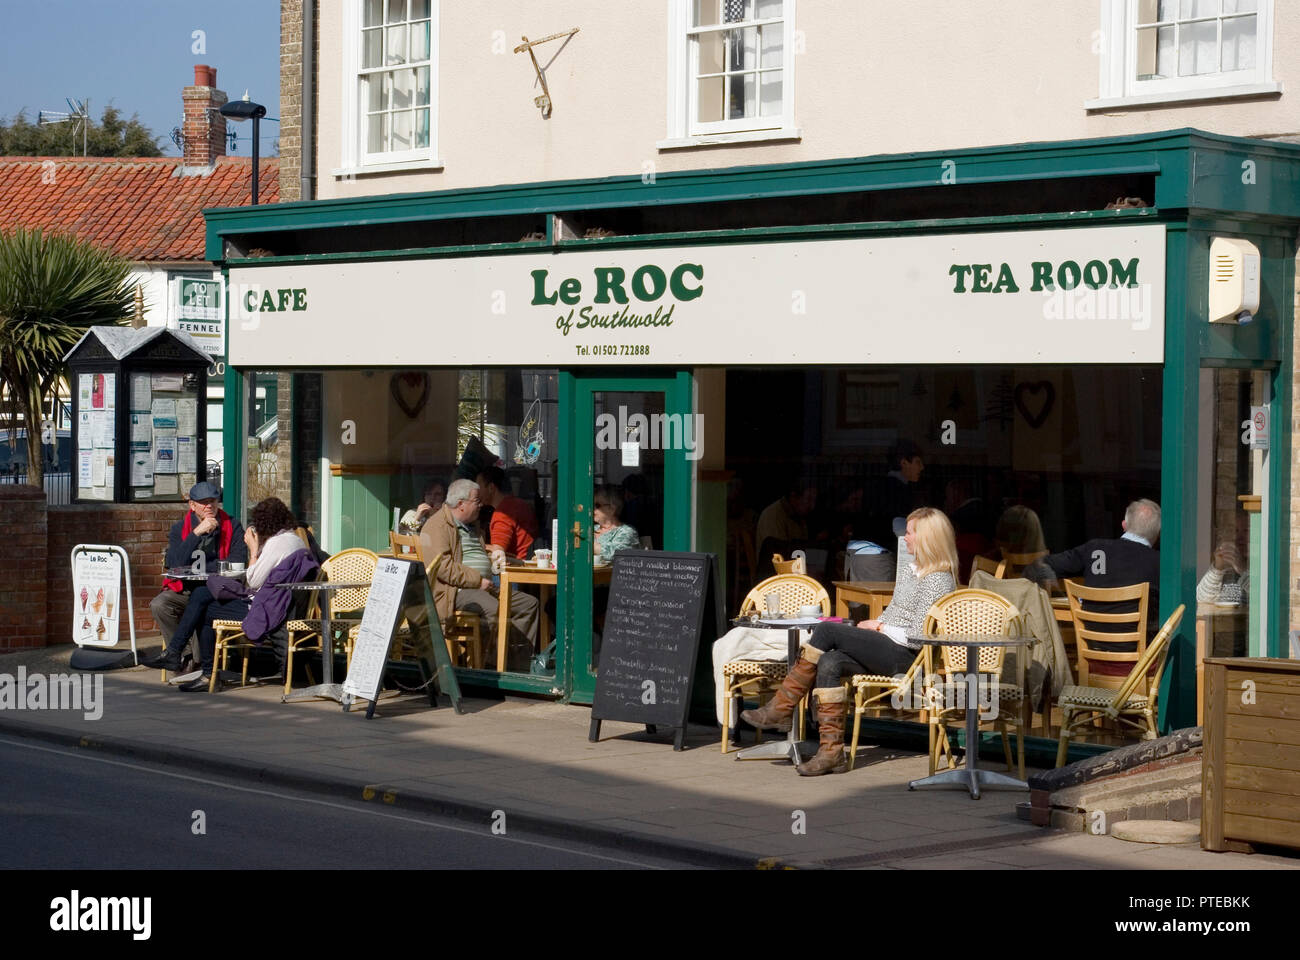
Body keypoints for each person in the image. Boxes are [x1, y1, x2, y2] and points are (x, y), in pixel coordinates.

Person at [741, 507, 959, 776]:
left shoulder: (937, 580)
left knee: (827, 632)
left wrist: (879, 625)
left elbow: (918, 636)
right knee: (831, 661)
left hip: (910, 659)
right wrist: (879, 622)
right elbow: (895, 612)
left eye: (911, 533)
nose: (905, 538)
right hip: (889, 646)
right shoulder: (913, 570)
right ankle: (831, 753)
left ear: (927, 538)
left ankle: (782, 706)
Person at [143, 497, 319, 691]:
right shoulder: (294, 540)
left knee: (205, 606)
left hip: (265, 610)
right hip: (277, 604)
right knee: (202, 594)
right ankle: (180, 656)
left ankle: (202, 671)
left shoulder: (277, 543)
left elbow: (253, 580)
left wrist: (253, 551)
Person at [1027, 498, 1161, 681]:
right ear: (1158, 533)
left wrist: (1053, 586)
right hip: (1140, 667)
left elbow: (1039, 567)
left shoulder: (1095, 549)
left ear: (1124, 524)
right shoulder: (1161, 563)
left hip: (1093, 659)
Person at [421, 478, 539, 670]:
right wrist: (477, 581)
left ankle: (517, 666)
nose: (481, 505)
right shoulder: (438, 526)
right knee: (494, 609)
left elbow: (477, 554)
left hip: (484, 586)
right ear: (461, 504)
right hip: (456, 591)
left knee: (528, 604)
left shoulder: (471, 526)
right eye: (477, 501)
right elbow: (442, 567)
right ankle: (491, 666)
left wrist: (497, 560)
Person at [149, 481, 247, 673]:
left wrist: (211, 572)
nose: (209, 506)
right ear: (192, 506)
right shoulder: (180, 529)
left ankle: (186, 658)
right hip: (185, 588)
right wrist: (196, 533)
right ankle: (185, 656)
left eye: (213, 501)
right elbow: (175, 562)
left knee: (201, 597)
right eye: (203, 502)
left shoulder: (232, 525)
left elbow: (238, 562)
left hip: (218, 590)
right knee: (159, 604)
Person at [868, 439, 925, 549]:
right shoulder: (898, 490)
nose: (922, 467)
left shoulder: (881, 485)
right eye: (918, 462)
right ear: (903, 463)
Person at [477, 465, 538, 560]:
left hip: (516, 568)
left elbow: (497, 552)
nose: (476, 493)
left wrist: (471, 546)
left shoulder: (503, 514)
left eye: (479, 487)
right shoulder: (520, 504)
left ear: (491, 488)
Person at [755, 476, 817, 562]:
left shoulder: (799, 517)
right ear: (794, 497)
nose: (812, 506)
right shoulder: (773, 516)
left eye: (814, 500)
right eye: (809, 499)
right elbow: (776, 556)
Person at [593, 487, 640, 561]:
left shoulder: (627, 531)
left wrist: (589, 546)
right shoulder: (591, 528)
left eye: (597, 505)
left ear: (612, 508)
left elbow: (615, 554)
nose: (592, 509)